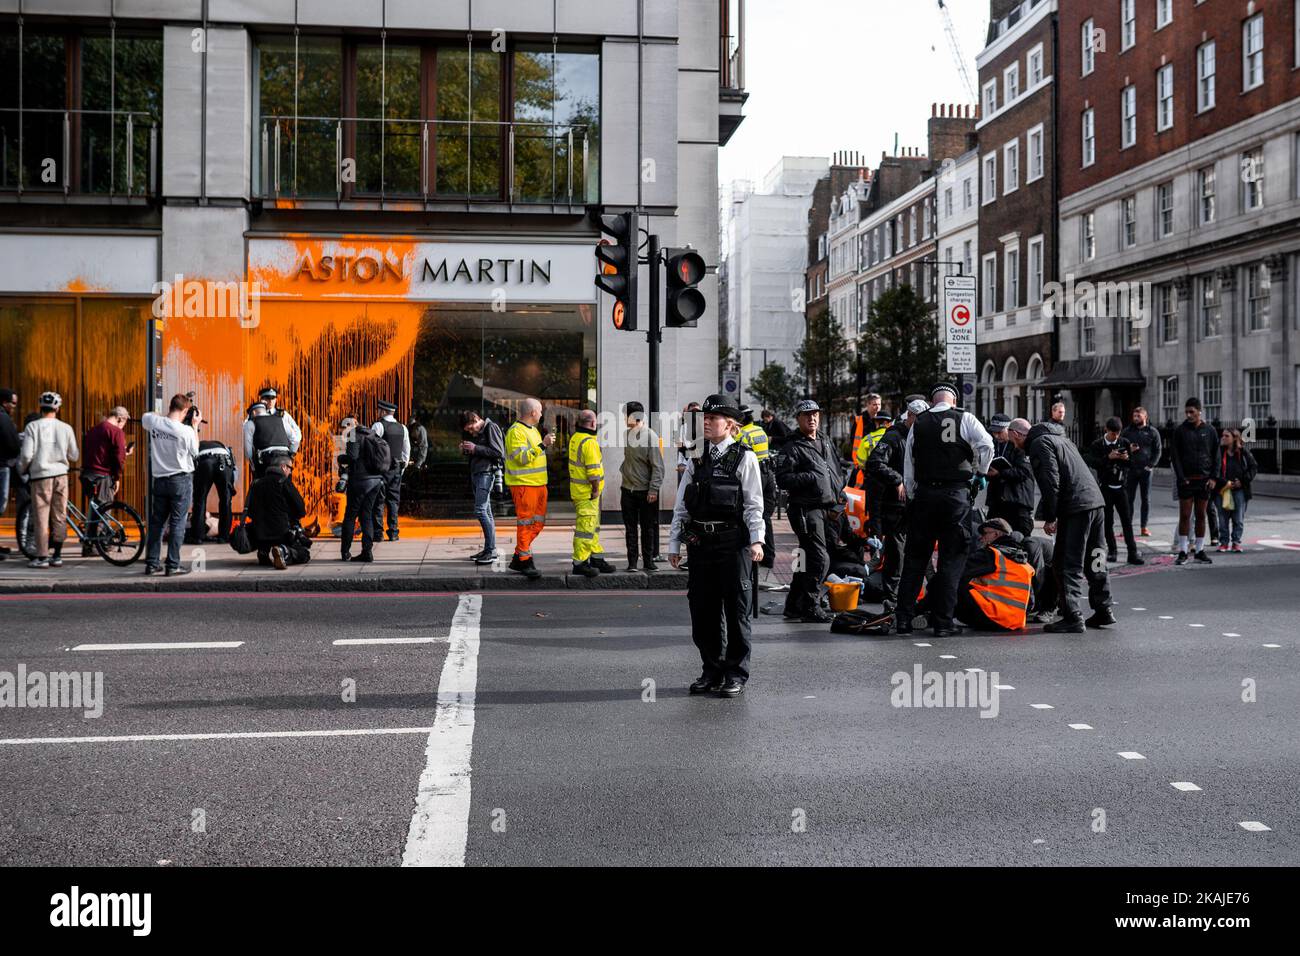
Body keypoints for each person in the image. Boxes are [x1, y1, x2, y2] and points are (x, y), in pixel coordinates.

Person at [668, 394, 765, 699]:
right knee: (702, 610)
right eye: (705, 418)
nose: (706, 423)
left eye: (713, 418)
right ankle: (711, 670)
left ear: (730, 424)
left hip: (732, 544)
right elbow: (682, 506)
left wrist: (757, 540)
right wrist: (675, 543)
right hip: (701, 544)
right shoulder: (696, 457)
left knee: (736, 612)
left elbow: (753, 505)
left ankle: (735, 673)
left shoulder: (744, 457)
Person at [891, 383, 994, 637]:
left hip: (926, 495)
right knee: (951, 559)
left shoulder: (920, 422)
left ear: (933, 400)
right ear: (954, 399)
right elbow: (987, 445)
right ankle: (943, 623)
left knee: (915, 560)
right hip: (955, 496)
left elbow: (909, 463)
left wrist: (913, 494)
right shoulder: (965, 418)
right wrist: (981, 472)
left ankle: (903, 618)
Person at [1009, 416, 1114, 633]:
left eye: (1012, 440)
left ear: (1016, 434)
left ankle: (1072, 616)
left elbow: (1050, 480)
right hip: (1095, 501)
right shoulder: (1062, 439)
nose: (1013, 445)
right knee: (1096, 557)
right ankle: (1104, 608)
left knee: (1066, 562)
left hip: (1075, 506)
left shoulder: (1039, 444)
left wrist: (1050, 515)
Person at [775, 398, 848, 623]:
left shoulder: (824, 440)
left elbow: (835, 469)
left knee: (806, 557)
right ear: (798, 419)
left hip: (826, 507)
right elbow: (783, 479)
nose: (812, 418)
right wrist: (811, 478)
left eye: (815, 414)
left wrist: (839, 492)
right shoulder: (792, 446)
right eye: (807, 415)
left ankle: (794, 605)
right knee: (819, 558)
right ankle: (810, 605)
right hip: (805, 509)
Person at [866, 395, 926, 614]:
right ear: (909, 416)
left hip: (916, 504)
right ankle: (891, 599)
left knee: (919, 554)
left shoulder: (920, 435)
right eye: (918, 418)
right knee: (897, 555)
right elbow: (874, 462)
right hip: (896, 507)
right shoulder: (894, 436)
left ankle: (913, 600)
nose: (922, 423)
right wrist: (897, 479)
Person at [17, 391, 80, 568]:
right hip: (61, 475)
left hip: (41, 476)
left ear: (40, 407)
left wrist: (22, 469)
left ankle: (42, 557)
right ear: (57, 408)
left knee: (41, 517)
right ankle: (58, 555)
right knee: (60, 515)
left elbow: (27, 455)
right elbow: (74, 455)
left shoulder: (32, 427)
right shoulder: (66, 428)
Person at [141, 393, 200, 576]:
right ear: (185, 411)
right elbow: (195, 452)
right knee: (177, 523)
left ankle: (151, 564)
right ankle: (172, 564)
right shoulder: (186, 431)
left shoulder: (152, 421)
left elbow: (148, 416)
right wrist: (195, 425)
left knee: (157, 523)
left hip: (159, 480)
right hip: (180, 480)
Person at [953, 518, 1036, 632]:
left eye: (985, 533)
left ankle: (937, 618)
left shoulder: (991, 554)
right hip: (1016, 622)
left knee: (954, 581)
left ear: (996, 534)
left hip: (993, 619)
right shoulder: (1022, 560)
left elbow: (955, 573)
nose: (981, 538)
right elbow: (1031, 601)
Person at [504, 397, 554, 579]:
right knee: (525, 523)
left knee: (538, 523)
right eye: (540, 411)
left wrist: (542, 445)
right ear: (533, 412)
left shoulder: (533, 430)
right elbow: (522, 458)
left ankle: (519, 555)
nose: (541, 414)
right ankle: (525, 560)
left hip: (539, 484)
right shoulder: (516, 432)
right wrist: (543, 445)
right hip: (524, 485)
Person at [1086, 417, 1144, 566]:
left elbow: (1132, 464)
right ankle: (1112, 551)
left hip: (1121, 487)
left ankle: (1133, 553)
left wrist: (1126, 458)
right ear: (1106, 430)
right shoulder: (1097, 445)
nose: (1115, 437)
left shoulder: (1124, 443)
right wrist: (1108, 457)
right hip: (1105, 487)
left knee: (1127, 521)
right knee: (1108, 522)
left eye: (1118, 433)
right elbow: (1092, 462)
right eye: (1113, 434)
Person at [1169, 396, 1219, 566]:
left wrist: (1213, 478)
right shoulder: (1180, 431)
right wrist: (1181, 478)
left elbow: (1216, 456)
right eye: (1187, 412)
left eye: (1192, 412)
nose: (1189, 415)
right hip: (1186, 481)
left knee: (1201, 516)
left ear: (1199, 412)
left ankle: (1199, 550)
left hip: (1204, 480)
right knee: (1184, 515)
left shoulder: (1210, 431)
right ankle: (1183, 551)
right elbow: (1175, 457)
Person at [567, 408, 615, 577]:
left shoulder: (576, 438)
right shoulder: (589, 442)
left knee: (592, 528)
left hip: (580, 492)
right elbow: (593, 472)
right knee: (585, 530)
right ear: (593, 423)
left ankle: (596, 558)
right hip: (588, 493)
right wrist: (595, 490)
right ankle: (579, 562)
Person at [619, 401, 664, 572]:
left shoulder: (650, 436)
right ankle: (632, 563)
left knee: (647, 528)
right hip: (627, 489)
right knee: (630, 529)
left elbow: (658, 466)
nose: (624, 419)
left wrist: (653, 489)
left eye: (625, 415)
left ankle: (648, 561)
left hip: (646, 491)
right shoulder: (627, 434)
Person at [79, 406, 130, 555]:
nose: (122, 426)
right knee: (104, 510)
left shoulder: (93, 430)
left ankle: (89, 544)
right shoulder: (116, 431)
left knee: (94, 509)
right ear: (120, 419)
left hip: (88, 474)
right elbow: (119, 458)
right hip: (102, 475)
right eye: (123, 423)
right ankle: (98, 545)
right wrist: (117, 476)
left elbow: (99, 452)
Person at [246, 454, 311, 569]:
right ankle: (283, 551)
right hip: (281, 533)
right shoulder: (283, 482)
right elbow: (300, 509)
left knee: (264, 528)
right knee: (304, 554)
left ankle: (263, 552)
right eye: (290, 468)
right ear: (283, 467)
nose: (290, 472)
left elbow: (250, 512)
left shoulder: (256, 483)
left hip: (258, 534)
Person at [459, 409, 504, 565]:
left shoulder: (491, 427)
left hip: (486, 474)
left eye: (471, 428)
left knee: (480, 510)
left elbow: (499, 452)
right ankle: (489, 549)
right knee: (486, 512)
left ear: (476, 419)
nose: (471, 432)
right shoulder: (482, 432)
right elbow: (484, 452)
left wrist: (475, 448)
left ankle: (491, 551)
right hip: (479, 473)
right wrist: (468, 450)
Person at [337, 417, 385, 562]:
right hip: (376, 481)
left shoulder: (353, 434)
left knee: (350, 516)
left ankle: (345, 552)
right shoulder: (372, 433)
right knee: (367, 515)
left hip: (360, 481)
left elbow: (352, 457)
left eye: (346, 425)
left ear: (353, 425)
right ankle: (367, 552)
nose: (344, 429)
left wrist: (341, 458)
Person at [737, 405, 777, 574]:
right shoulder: (760, 430)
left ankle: (756, 554)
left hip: (757, 476)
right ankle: (770, 556)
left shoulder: (742, 435)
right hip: (769, 475)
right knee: (765, 517)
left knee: (755, 515)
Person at [985, 412, 1036, 537]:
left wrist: (999, 473)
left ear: (1009, 430)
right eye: (994, 432)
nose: (997, 436)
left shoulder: (1020, 445)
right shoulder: (992, 446)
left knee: (1020, 539)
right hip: (997, 501)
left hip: (1017, 501)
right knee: (993, 538)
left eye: (1000, 432)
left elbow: (1025, 471)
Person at [371, 399, 410, 541]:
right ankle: (393, 532)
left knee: (378, 500)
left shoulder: (378, 425)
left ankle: (378, 533)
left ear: (382, 411)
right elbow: (406, 451)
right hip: (396, 469)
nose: (377, 412)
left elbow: (371, 447)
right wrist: (401, 468)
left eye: (378, 410)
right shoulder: (403, 428)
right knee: (393, 501)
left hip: (381, 469)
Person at [1214, 428, 1257, 554]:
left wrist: (1242, 481)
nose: (1223, 438)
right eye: (1222, 435)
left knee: (1238, 518)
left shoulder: (1243, 453)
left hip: (1240, 490)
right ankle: (1224, 543)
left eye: (1226, 436)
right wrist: (1224, 482)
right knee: (1223, 518)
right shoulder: (1219, 452)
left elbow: (1253, 467)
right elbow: (1214, 469)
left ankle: (1236, 542)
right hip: (1222, 489)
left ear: (1234, 438)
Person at [1120, 405, 1162, 536]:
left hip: (1146, 470)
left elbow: (1158, 450)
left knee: (1146, 499)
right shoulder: (1127, 432)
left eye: (1138, 416)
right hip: (1131, 469)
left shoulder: (1152, 432)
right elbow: (1120, 448)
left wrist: (1151, 465)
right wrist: (1128, 450)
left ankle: (1144, 527)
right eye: (1134, 416)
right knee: (1128, 499)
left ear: (1145, 416)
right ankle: (1127, 527)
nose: (1136, 418)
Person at [188, 438, 235, 544]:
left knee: (200, 499)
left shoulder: (197, 445)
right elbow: (233, 471)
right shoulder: (223, 447)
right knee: (226, 500)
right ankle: (224, 536)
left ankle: (197, 537)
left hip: (205, 461)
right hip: (224, 460)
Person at [243, 400, 290, 481]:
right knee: (287, 487)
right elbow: (295, 438)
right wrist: (291, 455)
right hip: (286, 458)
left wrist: (253, 467)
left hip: (268, 459)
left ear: (253, 413)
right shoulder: (280, 419)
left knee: (260, 487)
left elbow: (248, 450)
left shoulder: (250, 423)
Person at [0, 388, 20, 559]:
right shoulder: (3, 418)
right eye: (12, 403)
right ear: (4, 402)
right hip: (2, 465)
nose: (14, 407)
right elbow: (13, 444)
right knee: (0, 504)